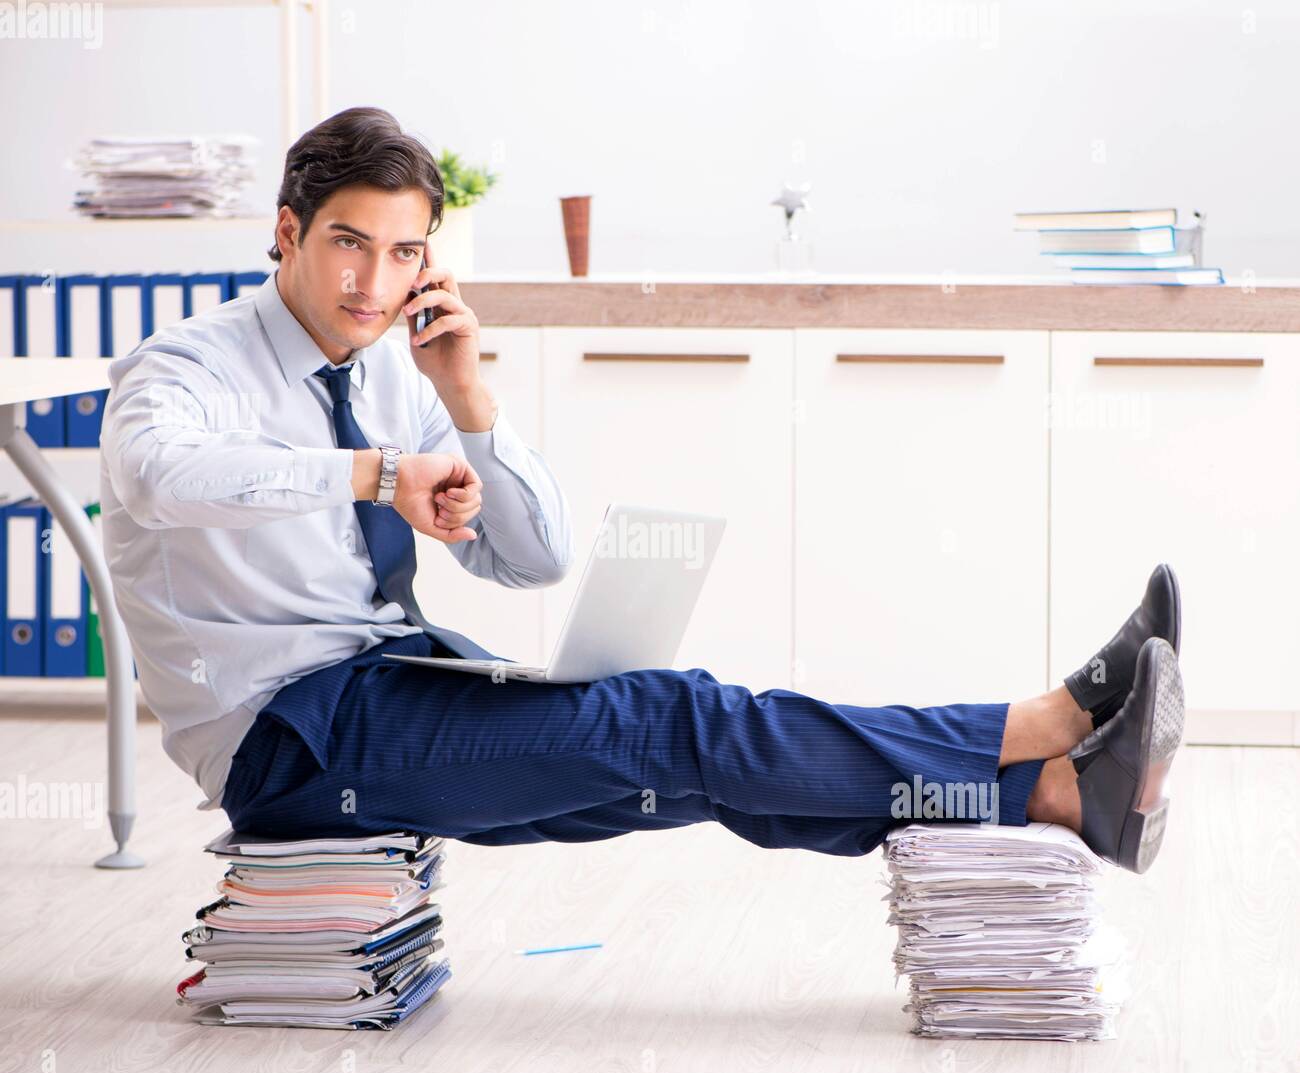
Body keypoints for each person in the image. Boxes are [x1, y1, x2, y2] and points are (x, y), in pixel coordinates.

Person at [100, 107, 1185, 877]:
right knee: (679, 718)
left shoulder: (395, 366)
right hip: (286, 738)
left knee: (681, 768)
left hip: (384, 682)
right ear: (286, 233)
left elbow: (533, 556)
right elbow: (156, 478)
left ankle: (1048, 793)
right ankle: (1039, 721)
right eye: (347, 245)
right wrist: (379, 472)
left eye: (402, 253)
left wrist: (467, 396)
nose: (372, 285)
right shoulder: (185, 367)